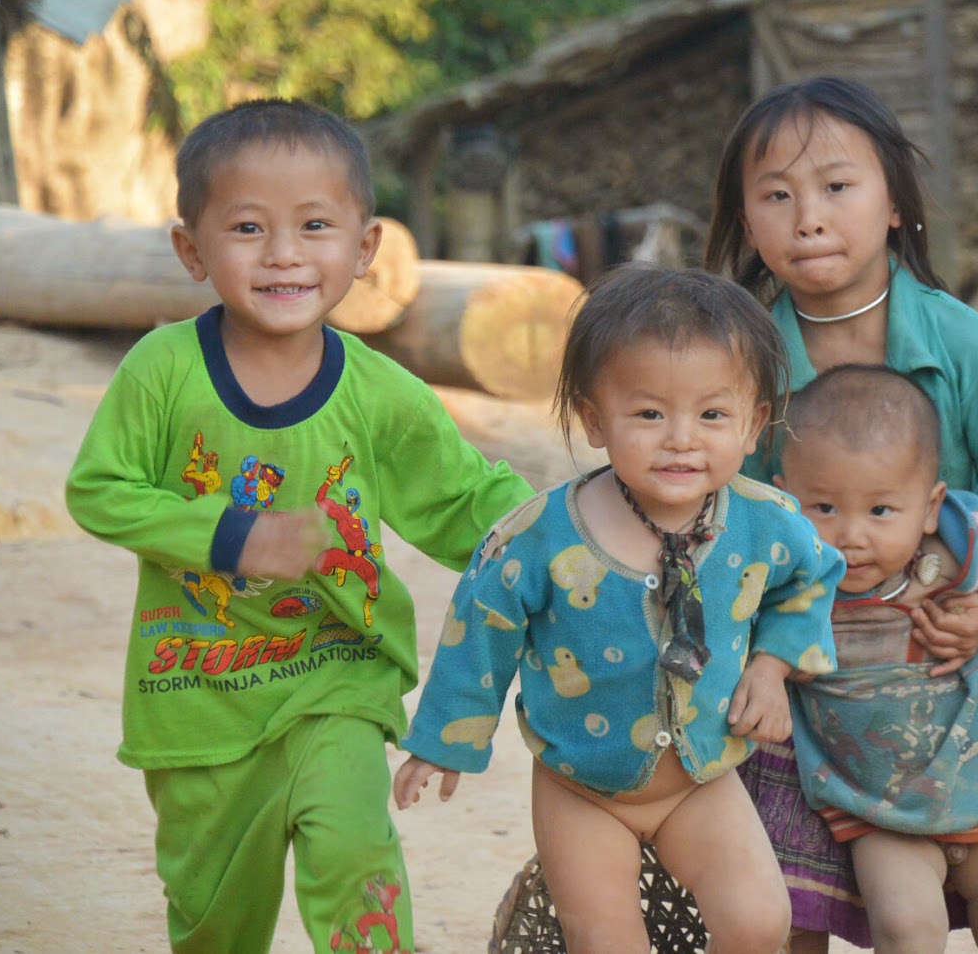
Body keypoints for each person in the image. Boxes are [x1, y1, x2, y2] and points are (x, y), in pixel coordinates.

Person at [65, 98, 534, 953]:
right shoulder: (164, 372)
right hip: (196, 700)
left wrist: (576, 531)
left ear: (364, 249)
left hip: (335, 678)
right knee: (215, 921)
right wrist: (235, 536)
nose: (283, 253)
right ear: (191, 250)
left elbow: (464, 501)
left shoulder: (380, 392)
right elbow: (100, 488)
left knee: (357, 855)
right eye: (247, 227)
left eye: (314, 225)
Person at [704, 75, 978, 953]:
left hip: (966, 655)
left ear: (897, 203)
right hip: (810, 664)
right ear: (745, 218)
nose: (808, 217)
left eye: (837, 186)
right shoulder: (744, 355)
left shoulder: (965, 343)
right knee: (791, 873)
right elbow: (734, 511)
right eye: (777, 196)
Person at [392, 264, 845, 954]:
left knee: (759, 921)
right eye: (649, 413)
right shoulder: (537, 537)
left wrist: (775, 665)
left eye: (712, 413)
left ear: (754, 424)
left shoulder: (768, 524)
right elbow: (479, 628)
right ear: (594, 418)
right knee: (606, 940)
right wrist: (445, 739)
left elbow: (813, 579)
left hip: (701, 780)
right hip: (583, 787)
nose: (682, 437)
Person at [776, 363, 978, 954]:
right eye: (822, 508)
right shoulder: (782, 575)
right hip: (875, 811)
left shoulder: (967, 546)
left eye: (881, 511)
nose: (850, 535)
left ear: (930, 506)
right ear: (785, 496)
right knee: (906, 931)